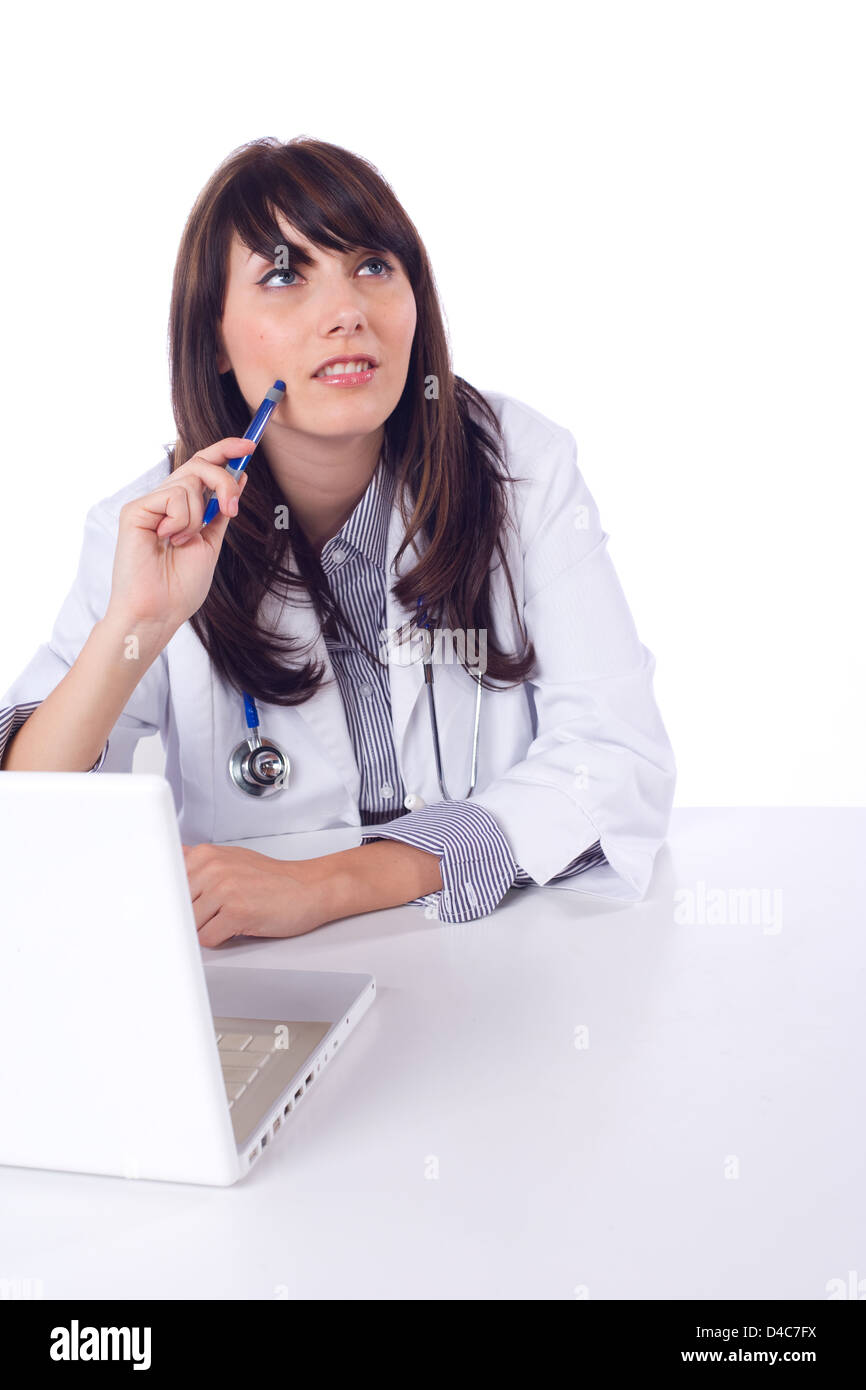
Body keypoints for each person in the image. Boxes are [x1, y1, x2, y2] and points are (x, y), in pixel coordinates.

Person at [0, 136, 676, 945]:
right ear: (214, 338)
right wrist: (137, 625)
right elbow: (27, 823)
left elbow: (617, 759)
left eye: (372, 266)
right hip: (268, 984)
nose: (346, 310)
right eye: (284, 275)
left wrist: (328, 886)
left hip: (504, 956)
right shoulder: (152, 527)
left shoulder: (520, 468)